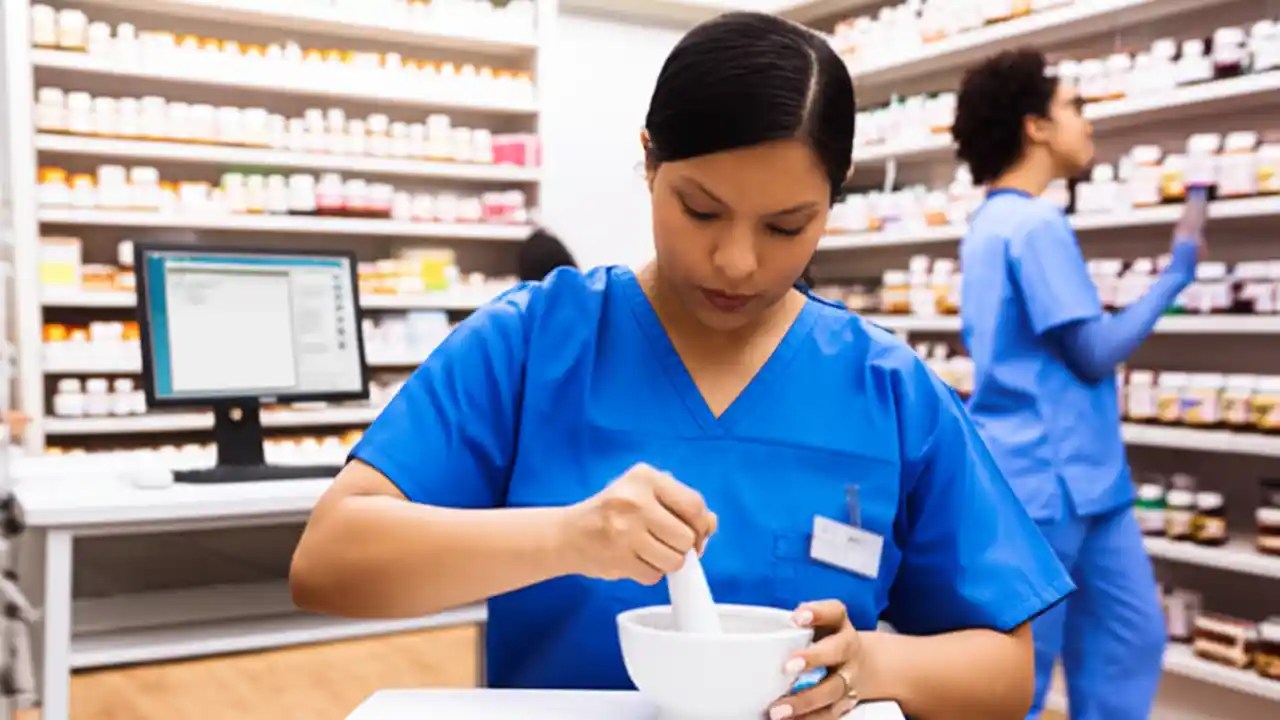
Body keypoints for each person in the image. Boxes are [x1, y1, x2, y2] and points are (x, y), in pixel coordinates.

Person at [291, 15, 1074, 720]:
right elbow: (329, 564)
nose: (736, 262)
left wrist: (873, 663)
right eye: (700, 210)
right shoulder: (534, 346)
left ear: (832, 202)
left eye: (785, 225)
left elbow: (1006, 674)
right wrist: (565, 538)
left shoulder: (888, 389)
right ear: (648, 164)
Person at [953, 49, 1206, 720]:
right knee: (1028, 672)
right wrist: (1177, 273)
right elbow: (1093, 353)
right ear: (1036, 126)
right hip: (1048, 481)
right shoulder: (1031, 224)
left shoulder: (990, 222)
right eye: (1076, 108)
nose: (1086, 124)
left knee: (1129, 636)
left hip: (1087, 481)